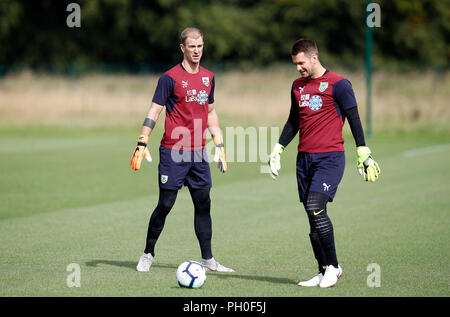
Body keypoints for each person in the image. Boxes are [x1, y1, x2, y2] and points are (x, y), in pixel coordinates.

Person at [269, 39, 380, 288]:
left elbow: (354, 118)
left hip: (330, 158)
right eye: (295, 64)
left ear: (314, 58)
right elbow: (293, 120)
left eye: (301, 63)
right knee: (312, 217)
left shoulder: (339, 84)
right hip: (304, 159)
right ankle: (321, 270)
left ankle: (334, 266)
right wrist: (279, 147)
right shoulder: (297, 86)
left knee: (315, 206)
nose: (298, 68)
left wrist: (363, 151)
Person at [130, 27, 234, 273]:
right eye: (192, 46)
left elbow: (210, 112)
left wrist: (219, 144)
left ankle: (208, 260)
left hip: (198, 153)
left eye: (200, 46)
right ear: (182, 48)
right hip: (173, 152)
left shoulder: (209, 77)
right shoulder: (169, 78)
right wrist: (142, 140)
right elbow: (155, 110)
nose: (197, 51)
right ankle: (148, 253)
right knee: (165, 204)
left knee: (203, 204)